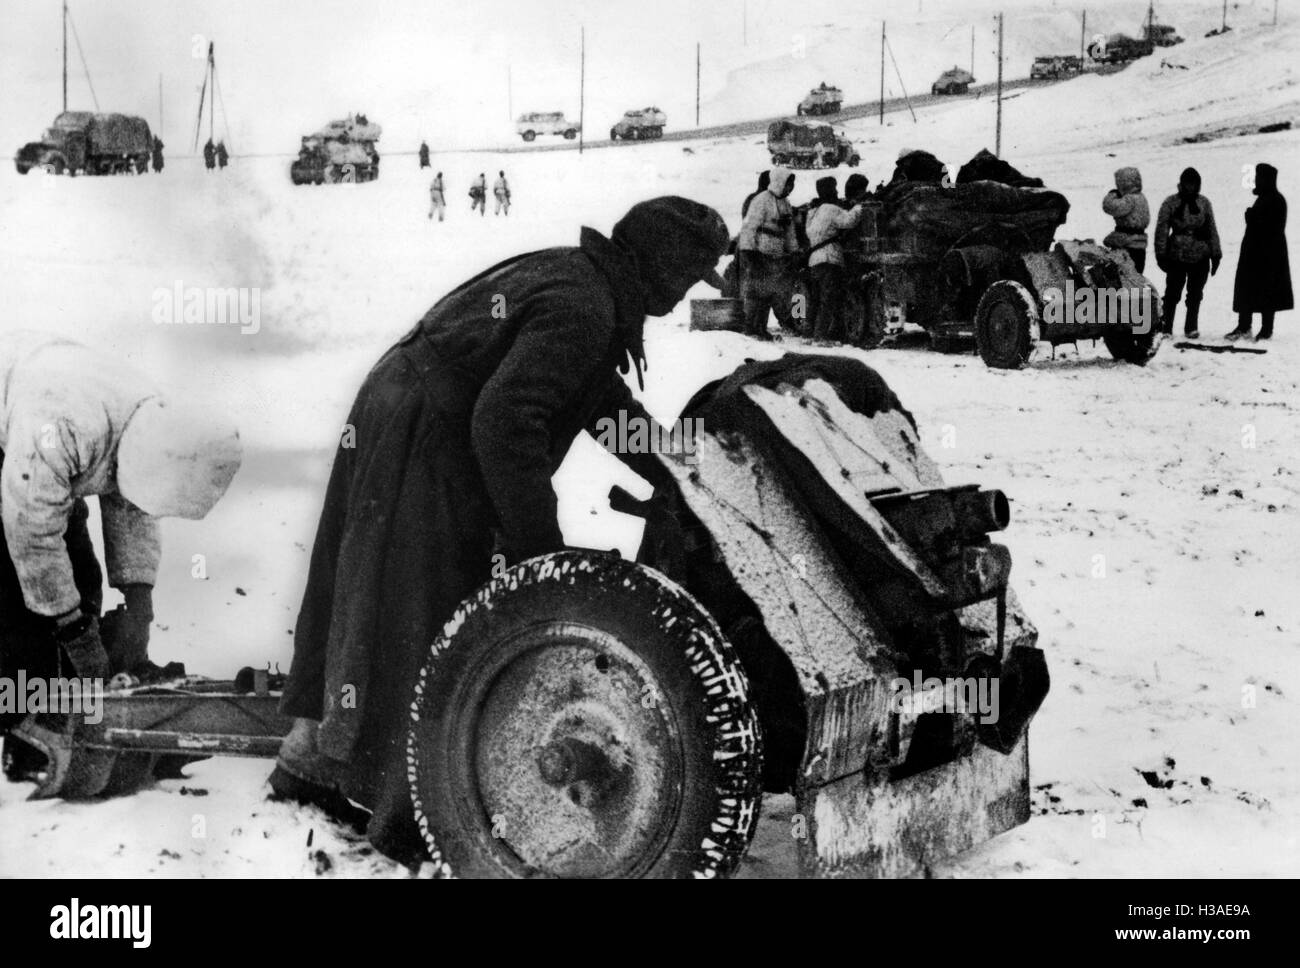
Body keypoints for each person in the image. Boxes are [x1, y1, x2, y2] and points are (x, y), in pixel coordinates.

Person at [270, 196, 730, 866]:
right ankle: (412, 815)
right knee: (421, 615)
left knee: (375, 597)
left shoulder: (589, 284)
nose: (691, 290)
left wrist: (673, 470)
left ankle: (317, 762)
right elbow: (506, 422)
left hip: (409, 410)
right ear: (661, 267)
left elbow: (600, 404)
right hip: (423, 430)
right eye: (690, 274)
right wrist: (537, 556)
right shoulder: (585, 304)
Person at [0, 332, 242, 717]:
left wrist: (138, 599)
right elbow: (32, 534)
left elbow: (136, 505)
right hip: (20, 441)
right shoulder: (63, 426)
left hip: (46, 450)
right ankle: (24, 724)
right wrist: (75, 633)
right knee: (21, 605)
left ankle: (75, 703)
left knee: (82, 581)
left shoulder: (156, 424)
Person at [1226, 163, 1292, 341]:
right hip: (1256, 253)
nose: (1256, 181)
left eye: (1260, 178)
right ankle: (1244, 326)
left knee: (1267, 291)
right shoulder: (1266, 198)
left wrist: (1252, 217)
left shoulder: (1276, 200)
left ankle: (1265, 329)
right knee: (1247, 289)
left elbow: (1272, 227)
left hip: (1269, 255)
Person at [1154, 167, 1221, 338]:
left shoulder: (1204, 203)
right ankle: (1166, 326)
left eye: (1194, 183)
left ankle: (1191, 326)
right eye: (1187, 183)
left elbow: (1211, 228)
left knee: (1196, 293)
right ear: (1182, 184)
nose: (1190, 187)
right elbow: (1162, 229)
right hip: (1177, 254)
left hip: (1200, 254)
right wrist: (1160, 254)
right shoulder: (1171, 202)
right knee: (1172, 293)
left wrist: (1216, 254)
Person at [737, 166, 799, 341]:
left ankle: (761, 328)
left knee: (769, 293)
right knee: (756, 292)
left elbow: (790, 232)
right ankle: (750, 328)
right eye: (789, 184)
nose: (790, 188)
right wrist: (749, 252)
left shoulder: (785, 204)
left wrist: (793, 251)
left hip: (776, 254)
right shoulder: (761, 200)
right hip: (759, 252)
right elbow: (749, 227)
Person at [806, 176, 866, 342]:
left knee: (816, 299)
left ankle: (809, 334)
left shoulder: (813, 212)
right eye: (834, 188)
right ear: (830, 191)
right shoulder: (831, 209)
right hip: (829, 258)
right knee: (828, 299)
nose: (837, 192)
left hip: (814, 260)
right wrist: (860, 206)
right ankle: (821, 336)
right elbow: (849, 221)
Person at [1102, 166, 1150, 273]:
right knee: (1135, 279)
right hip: (1139, 244)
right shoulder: (1141, 197)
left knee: (1122, 278)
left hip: (1128, 244)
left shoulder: (1130, 199)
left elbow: (1111, 207)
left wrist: (1112, 195)